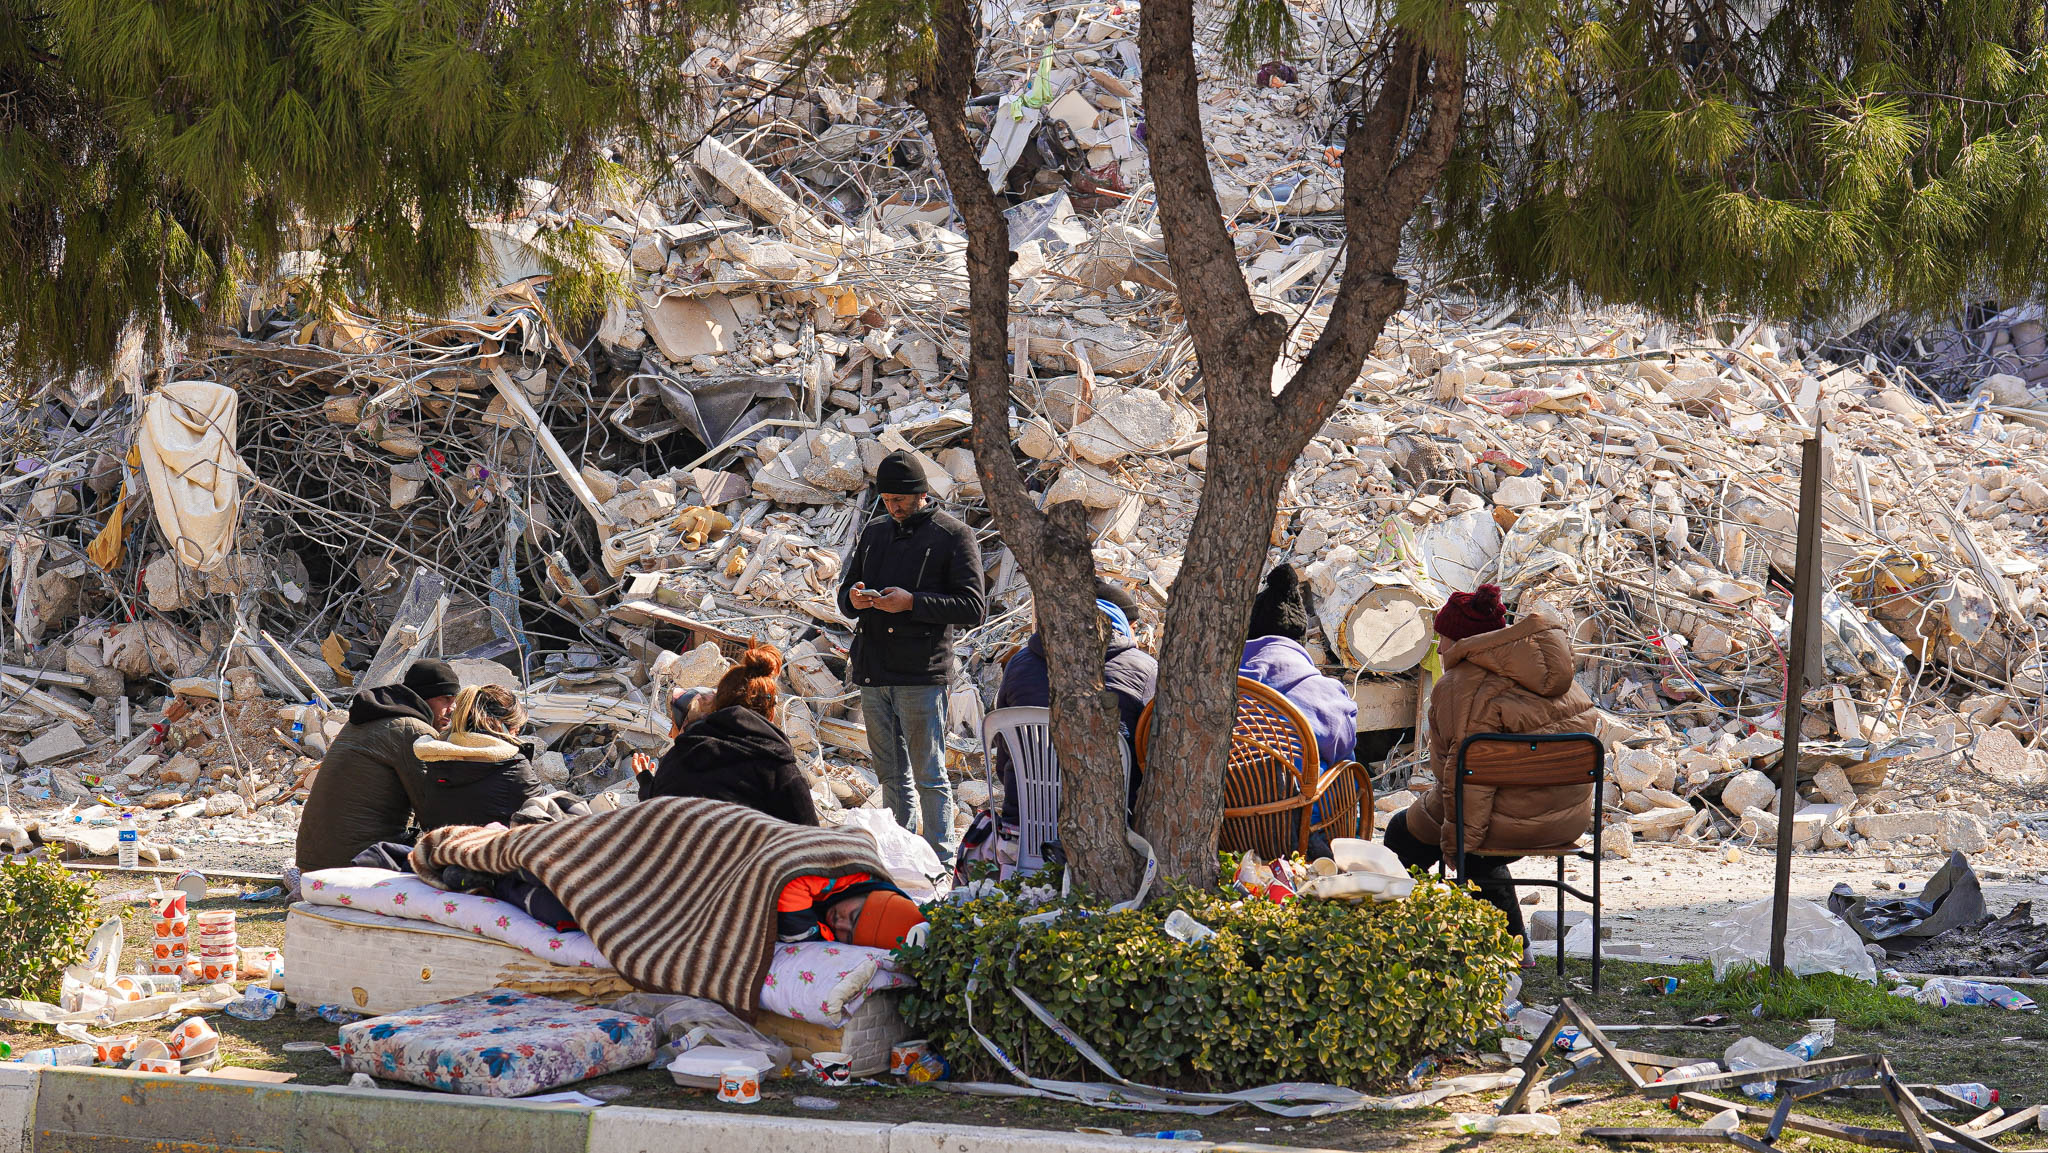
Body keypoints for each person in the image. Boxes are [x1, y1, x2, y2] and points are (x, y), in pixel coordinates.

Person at [1382, 584, 1598, 941]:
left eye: (1443, 637)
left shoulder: (1459, 686)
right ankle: (1515, 944)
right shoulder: (1566, 683)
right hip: (1565, 823)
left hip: (1500, 823)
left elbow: (1461, 781)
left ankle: (1402, 934)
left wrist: (1457, 844)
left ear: (1462, 640)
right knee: (1483, 834)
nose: (1439, 646)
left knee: (1404, 834)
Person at [837, 449, 986, 866]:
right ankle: (901, 857)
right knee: (890, 776)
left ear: (922, 494)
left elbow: (972, 607)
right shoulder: (876, 532)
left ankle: (938, 862)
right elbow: (845, 598)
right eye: (886, 500)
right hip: (874, 671)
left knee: (930, 776)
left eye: (899, 499)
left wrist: (912, 604)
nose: (892, 506)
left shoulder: (953, 535)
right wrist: (854, 598)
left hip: (921, 674)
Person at [993, 580, 1156, 825]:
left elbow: (1004, 751)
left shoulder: (1018, 663)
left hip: (1027, 819)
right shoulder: (1145, 669)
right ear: (1119, 625)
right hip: (1113, 824)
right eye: (1133, 627)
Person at [295, 659, 462, 873]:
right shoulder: (414, 730)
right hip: (357, 863)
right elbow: (432, 808)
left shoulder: (367, 718)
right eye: (446, 699)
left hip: (314, 861)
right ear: (425, 697)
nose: (452, 709)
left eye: (455, 700)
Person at [637, 644, 819, 826]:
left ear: (715, 706)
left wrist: (645, 779)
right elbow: (809, 841)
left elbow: (656, 808)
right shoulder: (780, 772)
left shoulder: (679, 756)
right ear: (771, 714)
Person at [1240, 565, 1357, 769]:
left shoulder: (1221, 687)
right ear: (1299, 640)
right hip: (1299, 798)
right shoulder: (1326, 693)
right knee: (1345, 764)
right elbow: (1344, 745)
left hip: (1229, 797)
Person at [409, 685, 547, 832]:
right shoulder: (514, 767)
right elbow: (546, 821)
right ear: (501, 727)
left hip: (442, 852)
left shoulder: (435, 759)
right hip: (491, 853)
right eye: (515, 731)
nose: (515, 738)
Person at [776, 869, 928, 949]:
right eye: (854, 916)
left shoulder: (834, 934)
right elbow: (791, 879)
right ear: (867, 893)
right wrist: (806, 935)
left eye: (848, 937)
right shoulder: (848, 871)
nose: (839, 924)